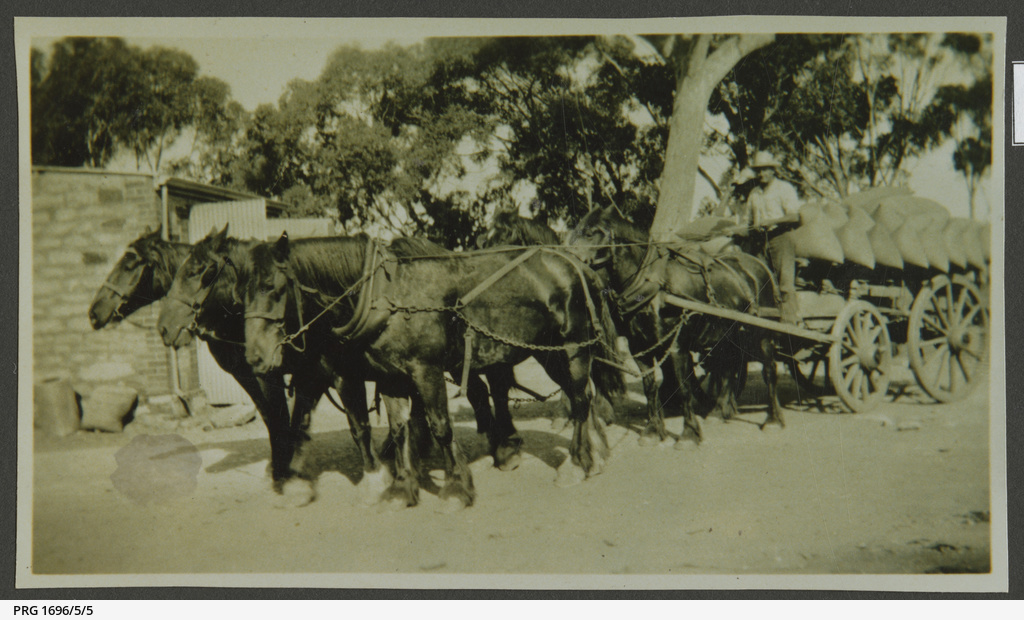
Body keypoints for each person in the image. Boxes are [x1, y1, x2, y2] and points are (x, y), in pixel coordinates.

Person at [746, 152, 802, 324]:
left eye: (765, 170)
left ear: (773, 170)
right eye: (759, 171)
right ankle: (766, 324)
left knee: (784, 284)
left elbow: (794, 217)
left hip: (781, 238)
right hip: (760, 241)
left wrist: (771, 221)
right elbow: (748, 220)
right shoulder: (754, 193)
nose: (762, 174)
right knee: (761, 283)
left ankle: (790, 325)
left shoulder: (784, 188)